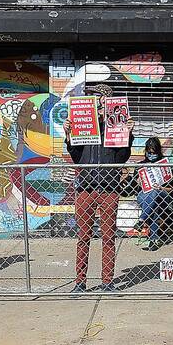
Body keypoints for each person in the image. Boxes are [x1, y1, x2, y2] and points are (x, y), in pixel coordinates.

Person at [64, 85, 134, 292]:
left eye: (98, 98)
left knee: (108, 237)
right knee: (83, 237)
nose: (94, 102)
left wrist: (128, 135)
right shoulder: (83, 124)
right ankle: (80, 282)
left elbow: (122, 158)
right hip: (85, 187)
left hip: (109, 187)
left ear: (107, 101)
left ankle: (107, 281)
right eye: (92, 98)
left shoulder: (117, 125)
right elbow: (77, 158)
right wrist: (68, 136)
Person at [136, 137, 173, 251]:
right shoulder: (140, 165)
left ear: (158, 152)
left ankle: (142, 220)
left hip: (162, 195)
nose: (151, 155)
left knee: (154, 193)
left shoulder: (165, 165)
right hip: (144, 195)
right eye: (149, 152)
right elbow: (132, 189)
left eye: (154, 153)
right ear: (146, 151)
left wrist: (162, 188)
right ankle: (153, 239)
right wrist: (138, 182)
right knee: (153, 203)